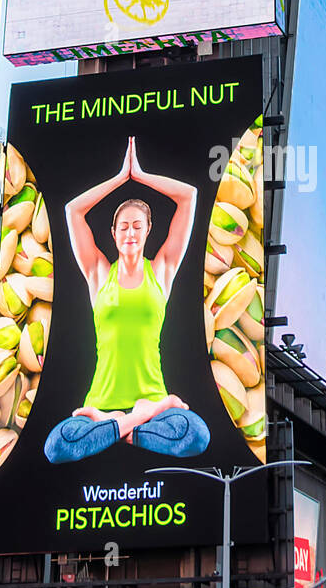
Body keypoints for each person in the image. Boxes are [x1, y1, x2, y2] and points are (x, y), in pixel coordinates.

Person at [43, 137, 210, 462]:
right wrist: (121, 178)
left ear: (148, 230)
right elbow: (72, 211)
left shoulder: (161, 272)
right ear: (113, 233)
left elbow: (189, 196)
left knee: (195, 434)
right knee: (57, 445)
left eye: (137, 225)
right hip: (101, 404)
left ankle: (113, 429)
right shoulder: (99, 275)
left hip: (148, 405)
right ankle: (127, 424)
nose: (130, 232)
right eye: (124, 227)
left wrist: (141, 175)